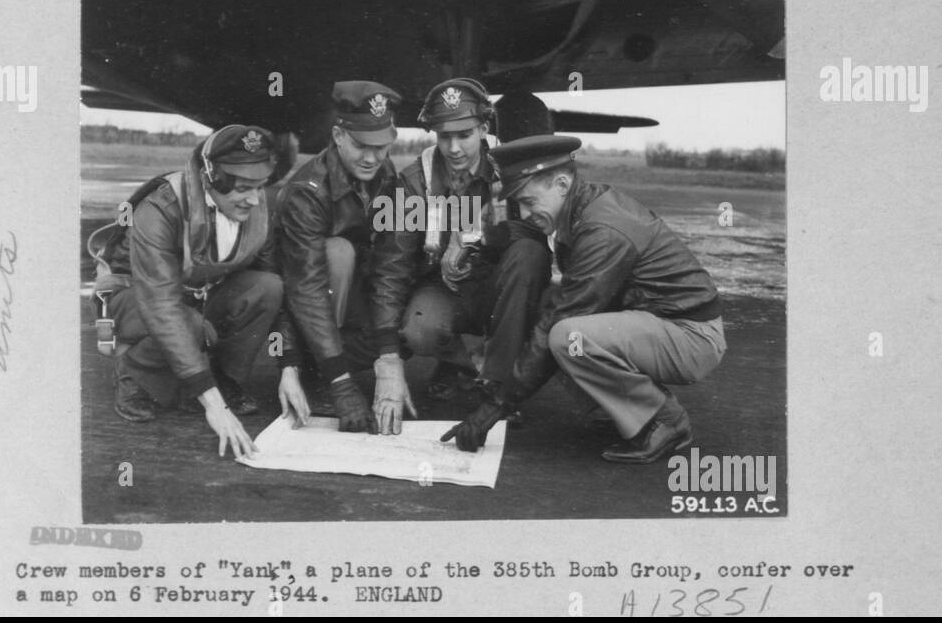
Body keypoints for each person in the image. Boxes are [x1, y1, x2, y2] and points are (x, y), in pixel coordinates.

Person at [441, 135, 726, 463]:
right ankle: (615, 411)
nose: (524, 212)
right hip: (660, 323)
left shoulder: (602, 231)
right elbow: (524, 231)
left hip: (691, 337)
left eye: (530, 201)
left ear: (561, 183)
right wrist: (475, 238)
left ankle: (662, 420)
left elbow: (559, 319)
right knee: (551, 312)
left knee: (565, 334)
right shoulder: (580, 203)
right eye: (517, 203)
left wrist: (495, 406)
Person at [93, 125, 307, 459]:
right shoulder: (160, 207)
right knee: (188, 325)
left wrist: (289, 367)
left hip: (197, 294)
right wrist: (213, 405)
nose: (254, 198)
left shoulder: (257, 206)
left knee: (267, 288)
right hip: (135, 297)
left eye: (260, 186)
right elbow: (162, 308)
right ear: (213, 179)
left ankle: (224, 377)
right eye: (244, 187)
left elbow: (273, 287)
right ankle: (133, 374)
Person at [389, 78, 550, 410]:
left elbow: (537, 237)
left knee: (529, 257)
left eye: (464, 135)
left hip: (502, 287)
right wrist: (387, 356)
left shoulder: (510, 172)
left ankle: (501, 381)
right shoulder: (413, 182)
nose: (455, 148)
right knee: (420, 329)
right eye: (445, 136)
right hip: (446, 287)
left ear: (484, 128)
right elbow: (393, 265)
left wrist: (481, 237)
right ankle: (465, 363)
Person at [275, 81, 416, 435]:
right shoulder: (305, 194)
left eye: (382, 146)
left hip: (354, 304)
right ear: (338, 135)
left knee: (413, 326)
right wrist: (340, 381)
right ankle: (320, 372)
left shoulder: (392, 183)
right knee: (338, 252)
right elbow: (305, 288)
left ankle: (343, 361)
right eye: (360, 146)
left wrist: (389, 356)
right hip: (304, 312)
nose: (372, 158)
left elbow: (393, 267)